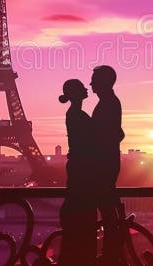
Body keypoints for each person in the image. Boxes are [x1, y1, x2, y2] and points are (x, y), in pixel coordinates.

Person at [58, 79, 97, 266]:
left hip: (78, 172)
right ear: (74, 93)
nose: (86, 88)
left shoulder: (74, 114)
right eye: (82, 87)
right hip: (82, 173)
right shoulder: (77, 115)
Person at [90, 65, 125, 265]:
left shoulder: (107, 104)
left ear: (103, 82)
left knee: (106, 212)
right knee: (107, 211)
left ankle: (110, 254)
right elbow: (117, 133)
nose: (91, 83)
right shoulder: (111, 102)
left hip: (103, 166)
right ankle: (112, 252)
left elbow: (107, 135)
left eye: (94, 79)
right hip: (108, 164)